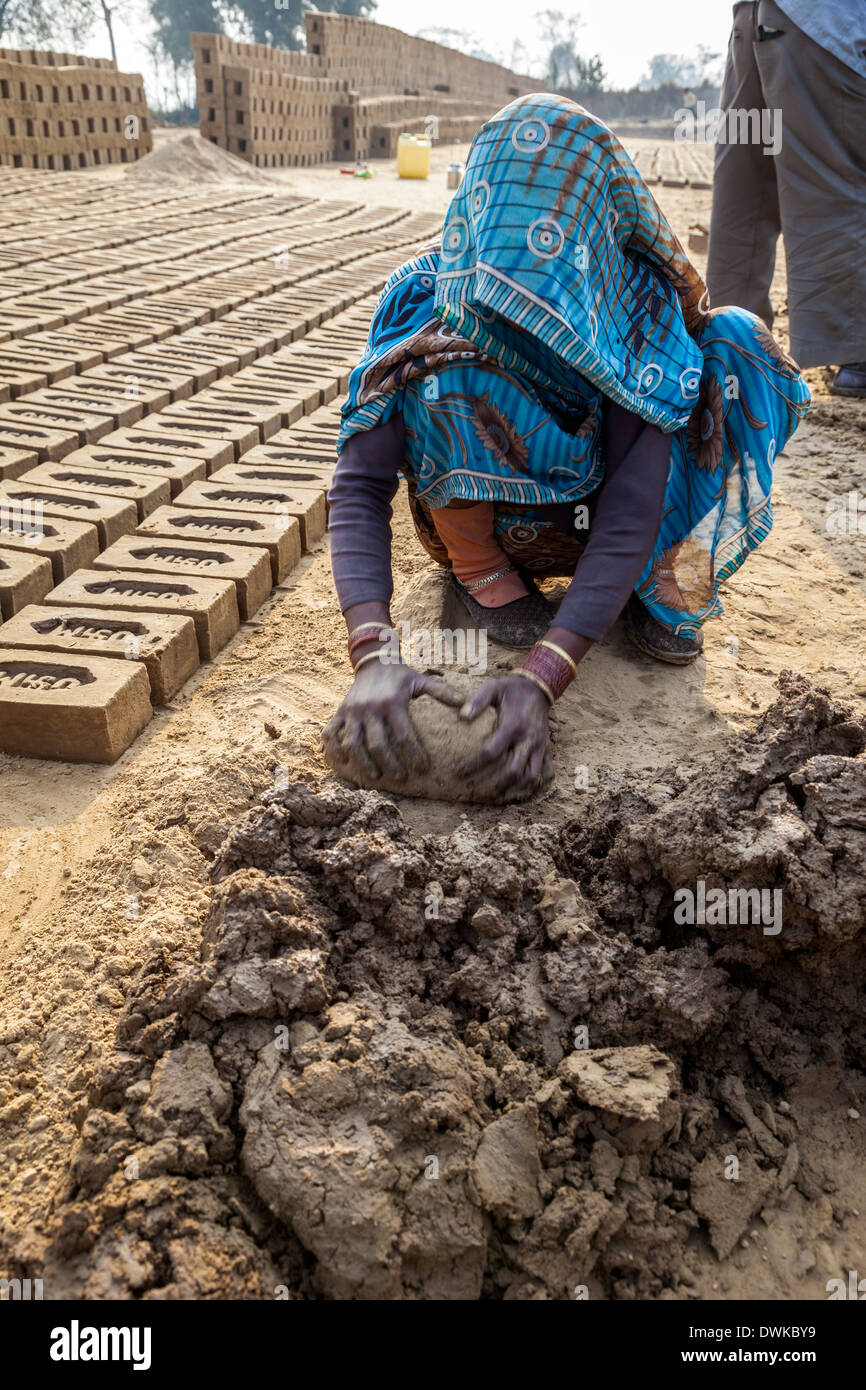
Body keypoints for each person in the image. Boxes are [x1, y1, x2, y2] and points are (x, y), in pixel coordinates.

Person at [324, 93, 810, 800]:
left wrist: (542, 678)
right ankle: (488, 575)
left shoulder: (633, 309)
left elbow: (632, 508)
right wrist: (371, 652)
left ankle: (660, 582)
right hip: (489, 517)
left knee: (735, 349)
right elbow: (360, 484)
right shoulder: (424, 298)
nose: (519, 303)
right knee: (445, 366)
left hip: (610, 521)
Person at [707, 0, 866, 396]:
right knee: (833, 184)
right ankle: (857, 352)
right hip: (823, 27)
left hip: (755, 20)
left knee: (746, 195)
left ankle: (732, 348)